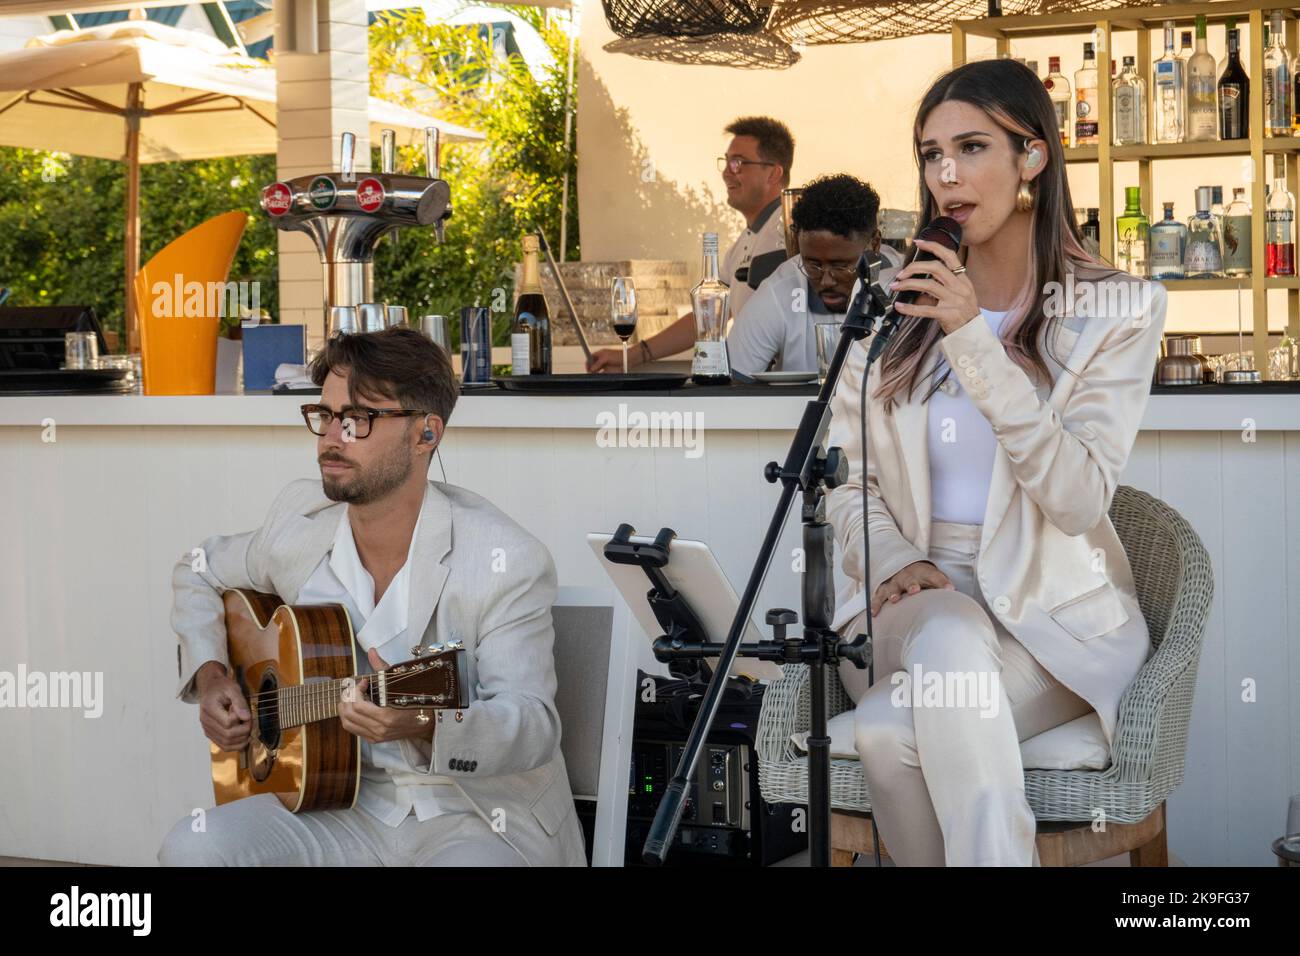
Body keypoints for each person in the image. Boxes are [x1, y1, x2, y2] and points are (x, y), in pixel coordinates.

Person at [826, 59, 1166, 866]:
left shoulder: (1117, 309)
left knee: (885, 729)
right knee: (947, 630)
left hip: (1048, 626)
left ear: (1033, 157)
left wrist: (972, 339)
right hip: (912, 600)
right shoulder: (889, 316)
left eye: (972, 148)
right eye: (931, 155)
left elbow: (1078, 498)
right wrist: (899, 557)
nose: (947, 176)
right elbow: (846, 482)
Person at [159, 328, 585, 867]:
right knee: (192, 847)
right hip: (342, 804)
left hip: (475, 819)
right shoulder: (300, 521)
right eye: (325, 415)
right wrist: (213, 674)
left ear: (425, 434)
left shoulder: (505, 559)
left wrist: (426, 724)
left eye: (358, 419)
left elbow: (531, 725)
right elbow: (197, 571)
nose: (331, 438)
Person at [587, 116, 793, 372]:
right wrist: (635, 354)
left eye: (738, 163)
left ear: (774, 173)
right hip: (749, 386)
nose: (727, 171)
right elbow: (708, 315)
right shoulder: (741, 244)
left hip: (780, 393)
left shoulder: (788, 233)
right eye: (726, 162)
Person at [725, 173, 903, 378]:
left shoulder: (906, 286)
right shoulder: (782, 288)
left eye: (841, 266)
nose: (826, 280)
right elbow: (733, 383)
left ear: (874, 244)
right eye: (813, 265)